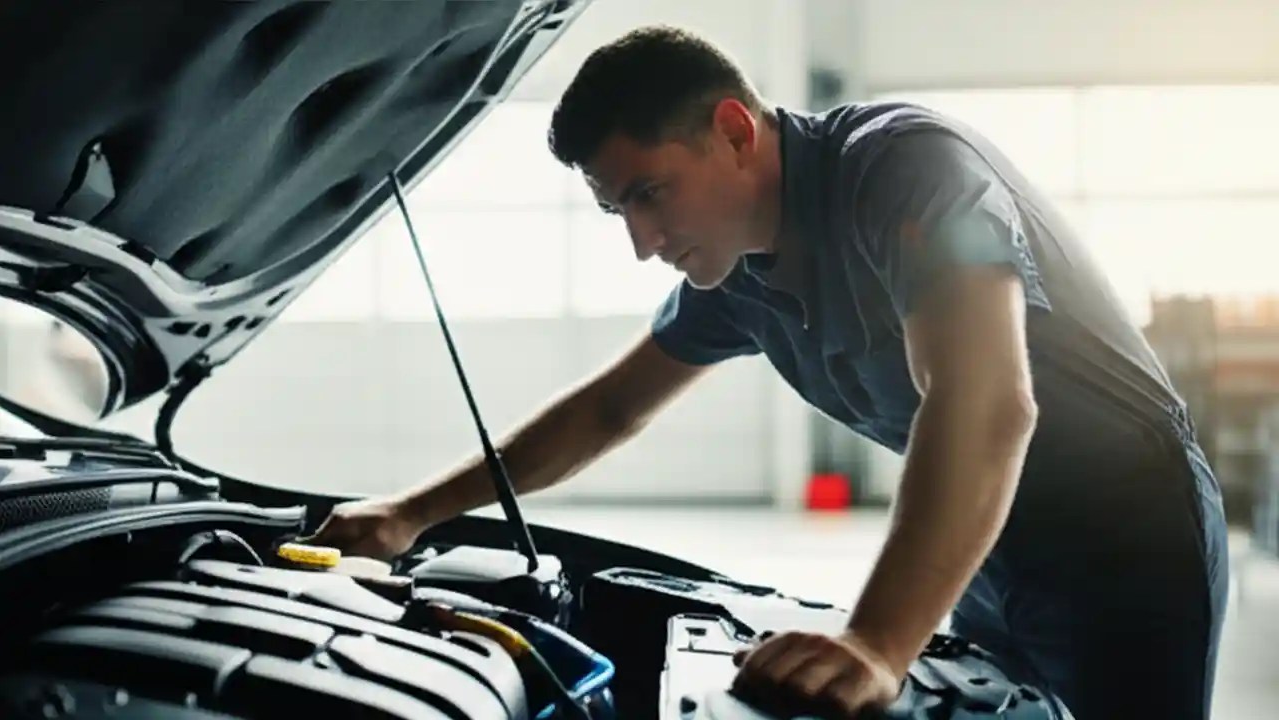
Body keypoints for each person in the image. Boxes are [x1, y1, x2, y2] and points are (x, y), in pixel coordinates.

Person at [308, 25, 1228, 720]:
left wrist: (876, 642)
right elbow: (609, 409)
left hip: (1125, 535)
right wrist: (410, 513)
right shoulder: (739, 276)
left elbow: (987, 403)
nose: (641, 243)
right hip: (984, 542)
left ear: (734, 131)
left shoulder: (905, 168)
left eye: (649, 194)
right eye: (615, 211)